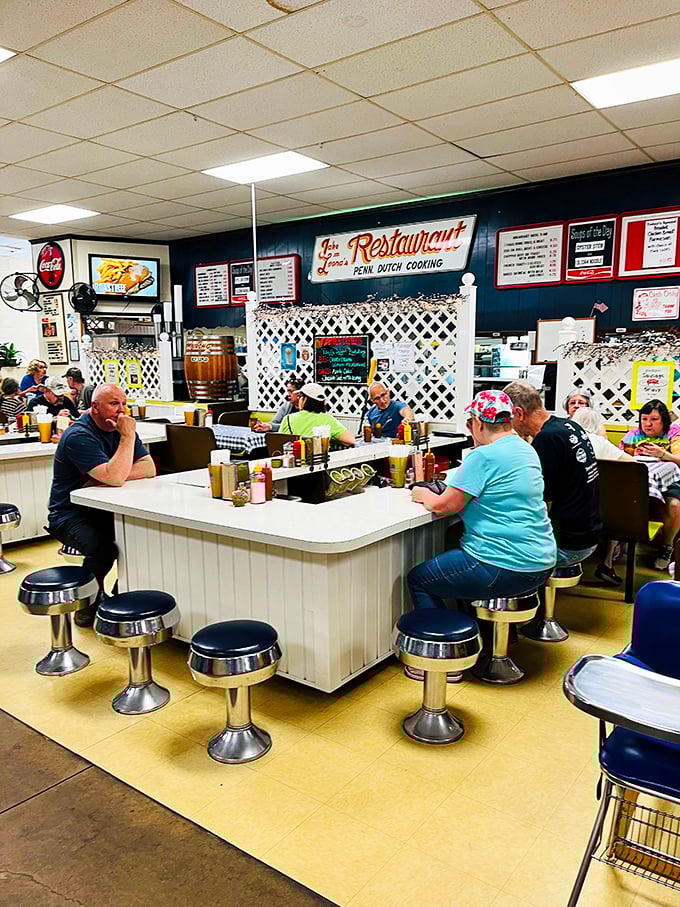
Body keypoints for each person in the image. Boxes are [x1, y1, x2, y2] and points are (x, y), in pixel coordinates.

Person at [408, 390, 556, 679]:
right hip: (542, 562)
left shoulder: (483, 456)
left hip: (501, 565)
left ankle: (443, 662)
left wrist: (422, 492)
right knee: (453, 568)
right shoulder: (526, 449)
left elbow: (444, 505)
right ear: (509, 420)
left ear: (477, 423)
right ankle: (474, 642)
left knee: (421, 579)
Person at [47, 384, 156, 626]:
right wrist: (126, 442)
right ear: (94, 407)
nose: (121, 410)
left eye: (124, 404)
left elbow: (148, 468)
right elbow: (115, 478)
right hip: (69, 513)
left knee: (140, 538)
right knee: (103, 548)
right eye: (114, 404)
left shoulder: (121, 428)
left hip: (105, 509)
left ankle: (121, 593)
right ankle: (88, 604)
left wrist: (106, 474)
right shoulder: (79, 435)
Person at [504, 380, 602, 567]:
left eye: (509, 419)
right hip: (591, 533)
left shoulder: (547, 439)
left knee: (494, 548)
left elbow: (538, 495)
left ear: (518, 413)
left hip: (568, 544)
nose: (511, 426)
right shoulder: (570, 426)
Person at [572, 407, 633, 585]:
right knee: (618, 506)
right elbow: (633, 464)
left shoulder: (567, 441)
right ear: (598, 424)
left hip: (569, 506)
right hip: (601, 509)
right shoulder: (600, 442)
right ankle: (607, 562)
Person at [620, 399, 680, 569]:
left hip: (671, 481)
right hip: (638, 479)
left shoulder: (673, 433)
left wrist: (663, 454)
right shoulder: (634, 434)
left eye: (654, 420)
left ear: (664, 421)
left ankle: (667, 547)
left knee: (674, 506)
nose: (648, 424)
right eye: (644, 419)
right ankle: (618, 544)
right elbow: (621, 455)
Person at [279, 382, 355, 446]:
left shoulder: (288, 419)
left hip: (296, 459)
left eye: (300, 396)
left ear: (305, 399)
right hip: (321, 459)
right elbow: (351, 440)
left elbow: (279, 442)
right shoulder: (328, 419)